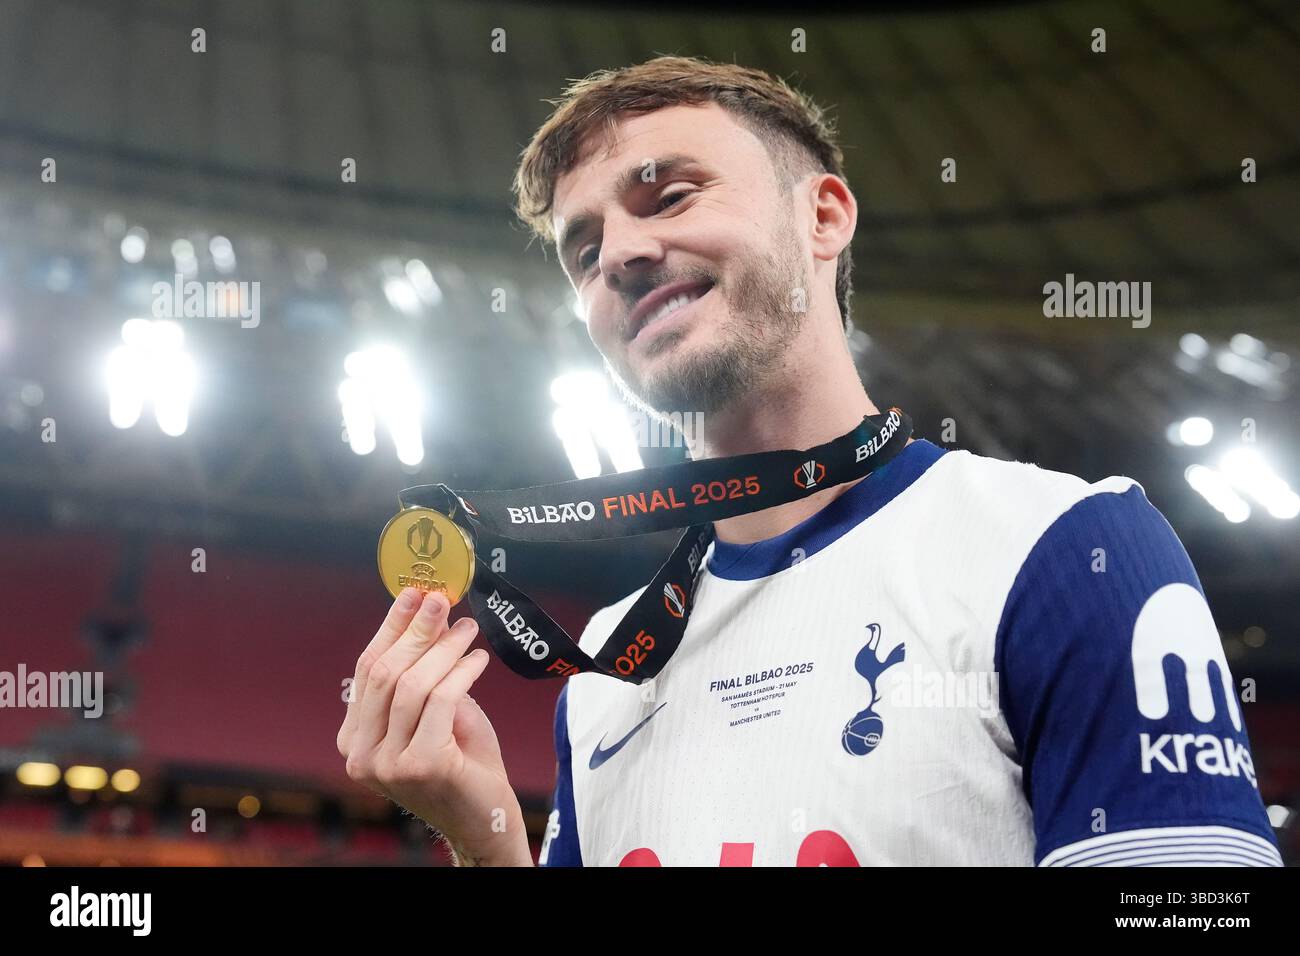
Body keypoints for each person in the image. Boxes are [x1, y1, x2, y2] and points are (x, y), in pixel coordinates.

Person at [336, 55, 1281, 867]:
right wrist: (489, 840)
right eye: (582, 251)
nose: (619, 252)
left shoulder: (1067, 550)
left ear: (824, 217)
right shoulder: (603, 674)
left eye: (668, 196)